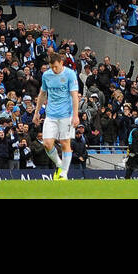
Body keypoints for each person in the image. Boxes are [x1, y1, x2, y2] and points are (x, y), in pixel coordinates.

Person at [35, 52, 81, 180]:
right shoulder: (46, 75)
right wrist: (36, 112)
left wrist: (75, 115)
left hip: (66, 115)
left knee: (65, 143)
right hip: (50, 115)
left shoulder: (70, 74)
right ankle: (60, 164)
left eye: (55, 66)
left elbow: (74, 96)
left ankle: (63, 174)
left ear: (61, 63)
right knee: (47, 143)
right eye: (51, 67)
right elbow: (42, 94)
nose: (53, 69)